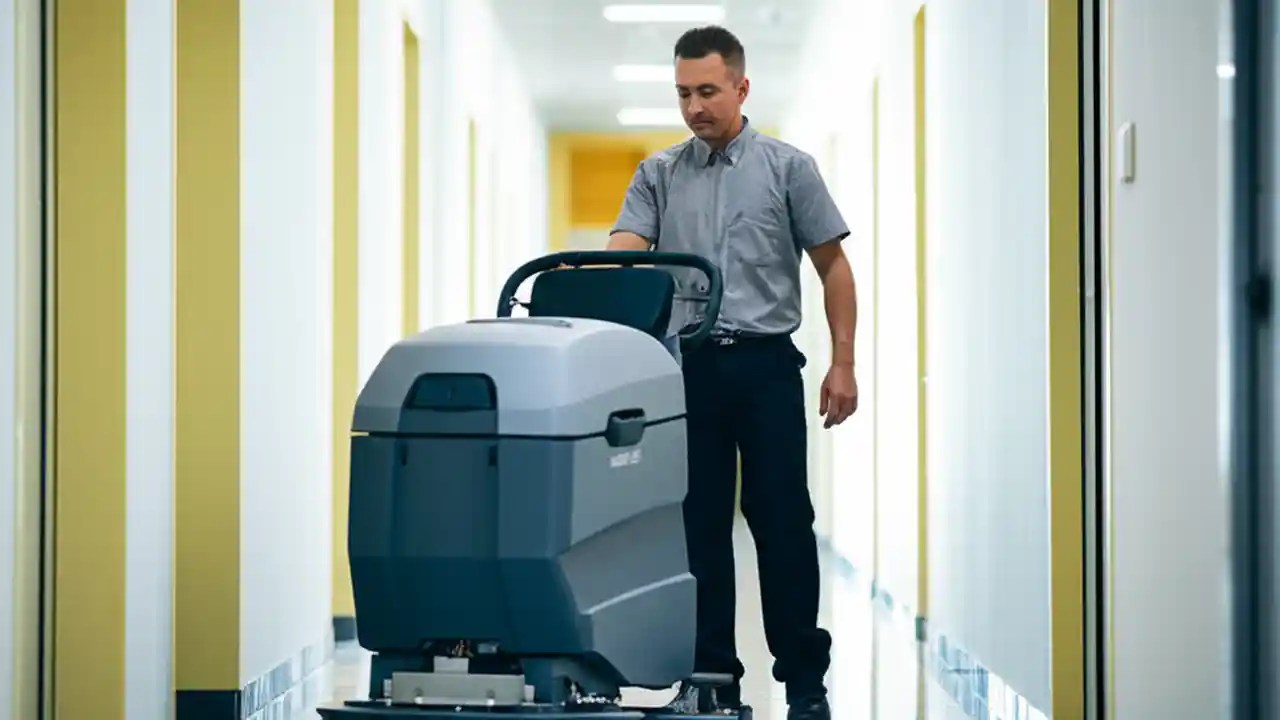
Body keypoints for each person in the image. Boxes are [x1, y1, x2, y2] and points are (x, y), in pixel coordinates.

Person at [605, 24, 858, 720]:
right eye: (684, 93)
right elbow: (626, 253)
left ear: (742, 88)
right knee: (698, 527)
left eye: (708, 91)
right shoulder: (658, 173)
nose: (695, 107)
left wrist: (843, 362)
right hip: (689, 373)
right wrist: (617, 265)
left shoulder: (788, 168)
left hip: (767, 366)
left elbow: (833, 267)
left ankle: (804, 682)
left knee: (782, 522)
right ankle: (710, 679)